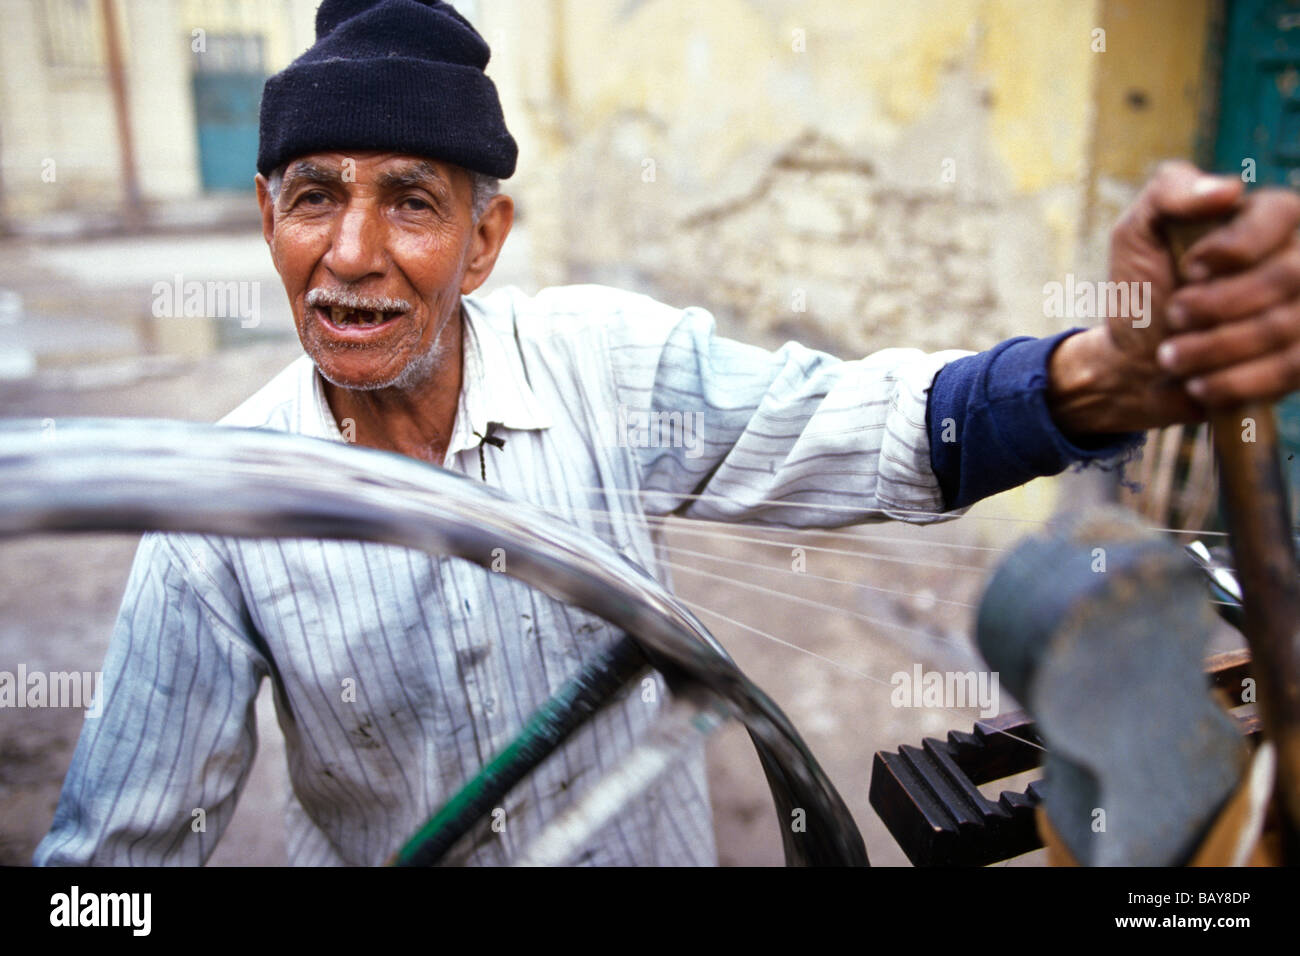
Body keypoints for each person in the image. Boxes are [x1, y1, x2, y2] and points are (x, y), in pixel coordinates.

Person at [34, 0, 1300, 866]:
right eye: (316, 196)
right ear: (267, 216)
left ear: (485, 240)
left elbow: (874, 429)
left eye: (411, 201)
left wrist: (1114, 370)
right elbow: (116, 858)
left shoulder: (603, 364)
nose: (352, 254)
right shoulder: (217, 511)